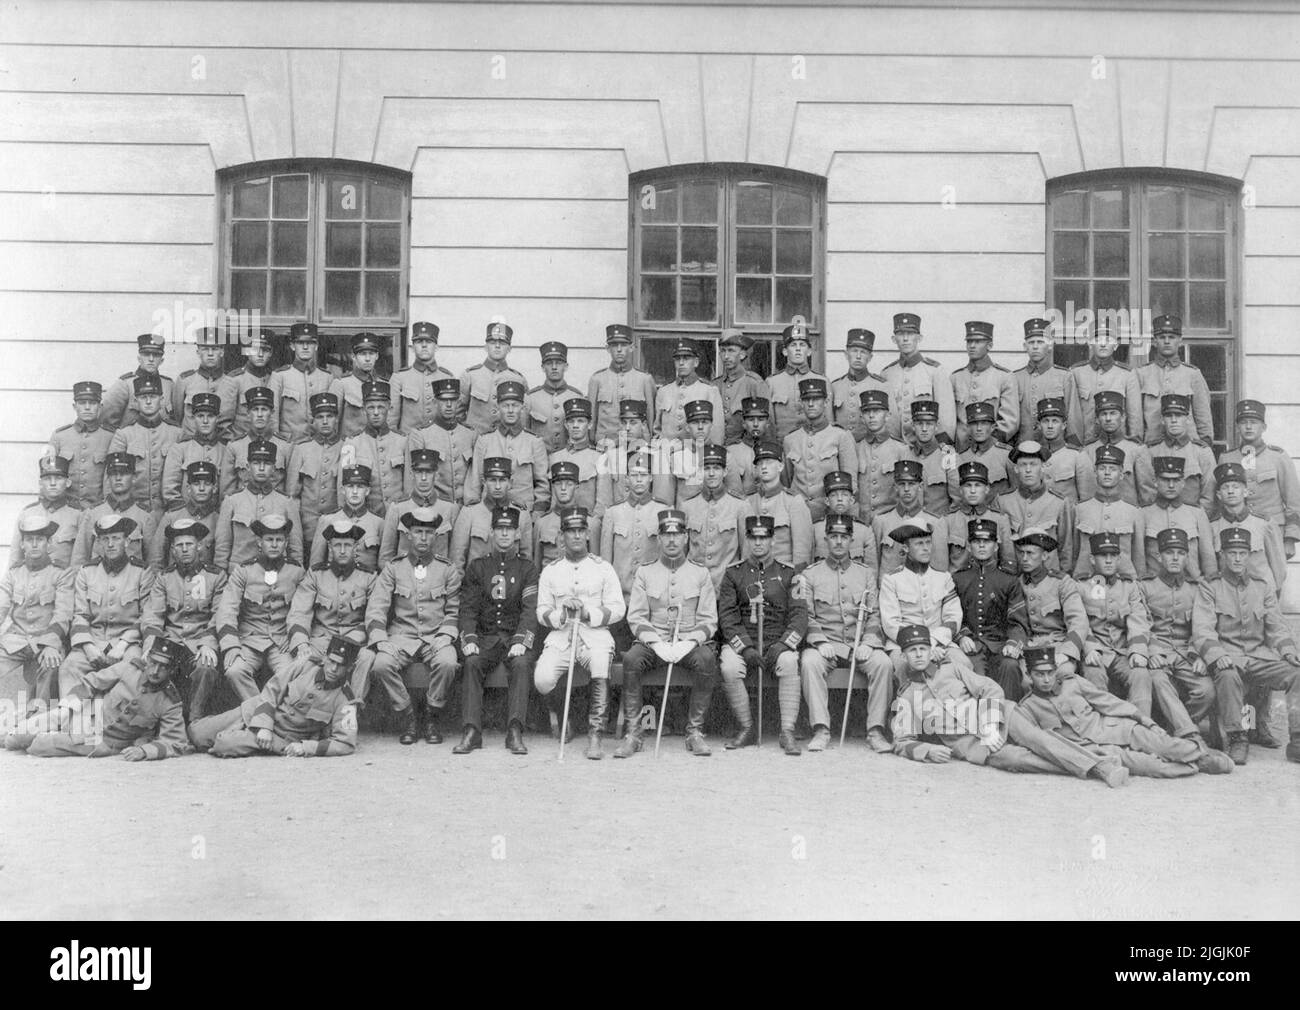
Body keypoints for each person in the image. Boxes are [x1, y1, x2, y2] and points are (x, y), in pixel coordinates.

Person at [888, 627, 1130, 787]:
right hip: (976, 747)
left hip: (1002, 715)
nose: (919, 655)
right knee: (1019, 760)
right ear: (904, 655)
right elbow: (901, 740)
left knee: (1040, 740)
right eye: (912, 650)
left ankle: (1103, 769)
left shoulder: (951, 669)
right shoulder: (908, 695)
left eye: (922, 649)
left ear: (931, 651)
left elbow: (990, 689)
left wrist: (990, 724)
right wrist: (926, 751)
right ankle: (1098, 760)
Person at [1017, 646, 1232, 778]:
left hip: (1117, 728)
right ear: (1029, 674)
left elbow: (1108, 702)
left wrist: (1142, 719)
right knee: (1152, 767)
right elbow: (1043, 743)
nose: (1046, 680)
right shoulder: (1027, 707)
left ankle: (1201, 757)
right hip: (1099, 749)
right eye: (1039, 674)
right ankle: (1195, 766)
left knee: (1163, 744)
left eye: (1050, 673)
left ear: (1056, 671)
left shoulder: (1072, 683)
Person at [1075, 532, 1203, 744]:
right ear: (1092, 560)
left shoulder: (1130, 586)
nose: (1108, 561)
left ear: (1119, 559)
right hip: (1097, 652)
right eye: (1102, 556)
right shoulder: (1080, 586)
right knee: (1094, 675)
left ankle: (1140, 730)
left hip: (1123, 650)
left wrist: (1138, 652)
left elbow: (1138, 620)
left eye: (1113, 556)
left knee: (1141, 674)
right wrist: (1089, 648)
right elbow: (1079, 620)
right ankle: (1103, 734)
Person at [1192, 527, 1300, 765]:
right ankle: (1238, 737)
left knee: (1297, 674)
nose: (1238, 558)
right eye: (1232, 553)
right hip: (1228, 655)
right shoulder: (1210, 586)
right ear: (1223, 555)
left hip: (1258, 656)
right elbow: (1202, 628)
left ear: (1250, 556)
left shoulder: (1262, 587)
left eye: (1242, 553)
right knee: (1228, 675)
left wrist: (1289, 650)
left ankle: (1297, 740)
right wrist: (1216, 653)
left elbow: (1275, 626)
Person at [616, 509, 719, 758]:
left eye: (677, 534)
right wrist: (656, 643)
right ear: (659, 538)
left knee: (706, 659)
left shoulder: (700, 573)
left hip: (688, 643)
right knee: (631, 659)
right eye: (666, 534)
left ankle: (694, 732)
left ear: (686, 538)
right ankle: (634, 734)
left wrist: (688, 643)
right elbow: (637, 617)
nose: (672, 540)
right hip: (655, 643)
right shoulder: (645, 572)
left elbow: (708, 620)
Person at [533, 506, 625, 759]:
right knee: (542, 679)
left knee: (599, 662)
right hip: (562, 637)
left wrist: (588, 614)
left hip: (594, 635)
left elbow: (618, 608)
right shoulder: (551, 570)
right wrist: (561, 615)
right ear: (561, 536)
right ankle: (563, 719)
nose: (575, 536)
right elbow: (541, 611)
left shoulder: (602, 568)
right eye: (569, 531)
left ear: (587, 534)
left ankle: (596, 734)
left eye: (580, 530)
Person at [798, 513, 894, 752]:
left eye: (844, 536)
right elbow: (805, 615)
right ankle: (821, 729)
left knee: (883, 663)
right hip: (826, 644)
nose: (839, 542)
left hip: (859, 644)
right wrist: (819, 641)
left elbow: (874, 614)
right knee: (809, 662)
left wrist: (869, 643)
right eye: (833, 537)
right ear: (826, 539)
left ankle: (875, 731)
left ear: (852, 540)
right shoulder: (811, 575)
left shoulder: (866, 574)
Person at [7, 637, 190, 761]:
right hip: (81, 713)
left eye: (163, 667)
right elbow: (91, 682)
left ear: (172, 670)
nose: (155, 671)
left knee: (40, 745)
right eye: (153, 663)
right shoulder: (129, 668)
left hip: (101, 741)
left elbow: (175, 742)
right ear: (147, 659)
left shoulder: (170, 702)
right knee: (19, 735)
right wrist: (66, 709)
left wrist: (144, 751)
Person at [365, 507, 459, 745]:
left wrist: (447, 634)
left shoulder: (447, 569)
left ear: (436, 536)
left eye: (429, 532)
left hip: (435, 636)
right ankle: (408, 716)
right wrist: (380, 639)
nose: (423, 538)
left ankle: (431, 715)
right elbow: (377, 606)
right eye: (418, 532)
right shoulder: (393, 568)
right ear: (408, 535)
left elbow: (453, 609)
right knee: (381, 664)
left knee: (448, 662)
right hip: (401, 636)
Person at [716, 515, 808, 754]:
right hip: (743, 641)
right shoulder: (733, 574)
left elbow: (799, 616)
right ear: (747, 540)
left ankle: (787, 731)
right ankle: (747, 728)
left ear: (772, 540)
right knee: (729, 667)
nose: (758, 543)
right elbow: (727, 616)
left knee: (789, 662)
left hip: (777, 641)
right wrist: (745, 648)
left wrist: (783, 645)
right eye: (754, 538)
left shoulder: (790, 574)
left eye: (763, 538)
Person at [189, 634, 361, 758]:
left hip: (281, 738)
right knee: (196, 734)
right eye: (331, 661)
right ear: (324, 658)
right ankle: (233, 732)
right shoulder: (303, 666)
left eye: (341, 665)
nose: (333, 669)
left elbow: (345, 743)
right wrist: (264, 726)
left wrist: (306, 748)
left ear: (350, 668)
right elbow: (272, 689)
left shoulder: (346, 700)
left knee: (223, 745)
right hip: (254, 712)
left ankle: (237, 739)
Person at [455, 505, 538, 755]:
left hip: (514, 638)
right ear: (491, 532)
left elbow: (529, 609)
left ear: (517, 534)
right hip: (487, 639)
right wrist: (469, 639)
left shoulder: (527, 568)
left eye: (509, 529)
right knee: (471, 663)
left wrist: (521, 640)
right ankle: (472, 731)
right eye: (499, 529)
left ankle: (514, 730)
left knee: (522, 664)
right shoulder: (478, 567)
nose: (504, 534)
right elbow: (468, 609)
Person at [287, 519, 377, 712]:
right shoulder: (316, 575)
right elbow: (299, 612)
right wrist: (301, 642)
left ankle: (351, 713)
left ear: (356, 547)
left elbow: (374, 615)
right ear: (329, 547)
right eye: (338, 545)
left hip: (356, 640)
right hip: (322, 639)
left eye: (348, 545)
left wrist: (354, 639)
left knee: (367, 657)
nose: (343, 550)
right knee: (303, 659)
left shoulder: (368, 577)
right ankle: (307, 713)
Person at [140, 518, 225, 720]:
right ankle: (157, 723)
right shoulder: (164, 578)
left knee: (206, 667)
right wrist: (150, 647)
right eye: (179, 545)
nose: (185, 549)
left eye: (189, 544)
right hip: (171, 641)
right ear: (172, 550)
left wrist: (208, 644)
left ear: (199, 546)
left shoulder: (215, 577)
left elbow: (219, 616)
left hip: (200, 641)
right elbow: (153, 616)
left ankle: (195, 719)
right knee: (151, 667)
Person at [59, 514, 152, 699]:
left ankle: (114, 724)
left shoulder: (141, 572)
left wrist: (123, 645)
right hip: (93, 639)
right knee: (68, 668)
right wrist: (87, 646)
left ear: (126, 541)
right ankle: (73, 723)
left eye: (116, 538)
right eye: (105, 539)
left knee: (135, 670)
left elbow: (146, 616)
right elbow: (80, 614)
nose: (110, 544)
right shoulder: (87, 572)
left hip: (127, 642)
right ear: (99, 543)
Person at [1140, 529, 1220, 742]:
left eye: (1180, 553)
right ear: (1159, 556)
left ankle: (1176, 728)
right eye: (1169, 552)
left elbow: (1202, 626)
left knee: (1206, 691)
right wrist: (1151, 652)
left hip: (1186, 654)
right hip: (1158, 652)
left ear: (1187, 557)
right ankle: (1189, 735)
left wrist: (1200, 655)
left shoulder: (1197, 589)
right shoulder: (1145, 587)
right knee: (1157, 680)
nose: (1175, 558)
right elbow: (1141, 625)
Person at [216, 514, 305, 702]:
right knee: (234, 671)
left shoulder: (296, 572)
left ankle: (262, 717)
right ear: (259, 541)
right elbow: (227, 610)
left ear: (286, 542)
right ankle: (260, 714)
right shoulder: (244, 571)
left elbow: (302, 612)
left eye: (279, 540)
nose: (274, 545)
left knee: (294, 676)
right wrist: (231, 646)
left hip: (281, 642)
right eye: (269, 540)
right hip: (250, 640)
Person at [0, 516, 74, 710]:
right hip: (15, 642)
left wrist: (51, 644)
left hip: (44, 642)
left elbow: (63, 614)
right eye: (29, 540)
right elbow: (1, 607)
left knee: (52, 664)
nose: (34, 544)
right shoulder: (13, 574)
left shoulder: (61, 574)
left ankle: (38, 719)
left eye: (39, 539)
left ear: (48, 543)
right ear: (22, 544)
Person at [951, 518, 1029, 699]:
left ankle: (1007, 718)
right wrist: (961, 636)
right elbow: (951, 615)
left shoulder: (1008, 580)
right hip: (971, 646)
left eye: (987, 542)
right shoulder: (958, 579)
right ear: (969, 547)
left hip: (1000, 645)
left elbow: (1018, 622)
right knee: (971, 670)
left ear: (996, 546)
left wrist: (1012, 644)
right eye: (977, 542)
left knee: (1010, 666)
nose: (982, 546)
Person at [879, 522, 969, 676]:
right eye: (919, 544)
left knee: (962, 663)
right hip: (904, 646)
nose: (926, 548)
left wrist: (933, 642)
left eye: (928, 542)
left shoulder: (943, 578)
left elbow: (953, 618)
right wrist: (922, 646)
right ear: (906, 548)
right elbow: (891, 623)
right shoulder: (891, 580)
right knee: (903, 667)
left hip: (940, 642)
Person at [1216, 399, 1300, 559]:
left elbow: (1294, 501)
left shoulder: (1278, 457)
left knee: (1273, 580)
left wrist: (1290, 538)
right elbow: (1219, 501)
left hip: (1273, 531)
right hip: (1236, 531)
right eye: (1243, 422)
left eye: (1253, 422)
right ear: (1237, 427)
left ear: (1264, 427)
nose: (1248, 427)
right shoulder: (1227, 458)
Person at [600, 449, 669, 638]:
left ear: (651, 478)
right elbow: (605, 563)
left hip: (653, 601)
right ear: (627, 479)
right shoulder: (613, 513)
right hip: (621, 601)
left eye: (644, 475)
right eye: (634, 475)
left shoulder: (663, 511)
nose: (639, 480)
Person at [213, 440, 304, 570]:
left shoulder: (286, 502)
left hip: (277, 574)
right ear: (248, 466)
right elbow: (222, 546)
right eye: (256, 463)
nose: (261, 468)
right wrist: (222, 577)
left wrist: (293, 574)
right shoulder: (232, 501)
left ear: (273, 468)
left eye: (267, 464)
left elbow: (295, 548)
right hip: (239, 574)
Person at [1015, 528, 1089, 683]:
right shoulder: (1017, 583)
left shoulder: (1062, 582)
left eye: (1030, 553)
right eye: (1021, 553)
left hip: (1059, 646)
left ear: (1044, 556)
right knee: (1026, 681)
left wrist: (1067, 653)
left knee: (1063, 674)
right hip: (1029, 647)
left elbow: (1078, 621)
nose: (1024, 558)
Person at [466, 380, 549, 516]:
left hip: (524, 513)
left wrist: (537, 512)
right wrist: (476, 511)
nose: (510, 410)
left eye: (515, 405)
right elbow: (476, 481)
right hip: (489, 512)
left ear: (522, 407)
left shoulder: (534, 442)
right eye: (505, 406)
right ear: (498, 407)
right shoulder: (485, 441)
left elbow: (542, 484)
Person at [783, 377, 857, 521]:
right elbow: (786, 482)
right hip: (798, 515)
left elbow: (851, 483)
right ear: (801, 403)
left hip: (830, 515)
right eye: (806, 399)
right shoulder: (790, 440)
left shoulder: (841, 436)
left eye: (816, 399)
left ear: (826, 402)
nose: (811, 404)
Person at [108, 372, 180, 515]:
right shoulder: (124, 435)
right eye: (143, 397)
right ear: (135, 401)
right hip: (133, 511)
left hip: (167, 511)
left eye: (153, 397)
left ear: (162, 399)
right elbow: (110, 476)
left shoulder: (176, 433)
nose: (148, 402)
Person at [1135, 314, 1213, 446]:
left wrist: (1205, 442)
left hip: (1188, 446)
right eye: (1161, 337)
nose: (1166, 341)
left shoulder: (1192, 374)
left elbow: (1203, 415)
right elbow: (1136, 416)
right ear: (1154, 341)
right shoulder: (1142, 374)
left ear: (1180, 340)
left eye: (1171, 337)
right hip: (1152, 446)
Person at [1072, 445, 1146, 580]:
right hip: (1086, 583)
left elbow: (1139, 557)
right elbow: (1073, 552)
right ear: (1094, 472)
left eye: (1112, 469)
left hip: (1123, 586)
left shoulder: (1133, 512)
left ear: (1122, 473)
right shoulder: (1080, 510)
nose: (1107, 473)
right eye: (1102, 468)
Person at [880, 312, 956, 444]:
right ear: (894, 339)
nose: (905, 339)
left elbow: (946, 418)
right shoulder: (887, 374)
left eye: (910, 334)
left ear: (919, 338)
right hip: (896, 447)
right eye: (900, 334)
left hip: (926, 448)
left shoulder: (934, 371)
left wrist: (939, 450)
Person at [998, 441, 1073, 573]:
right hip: (1014, 578)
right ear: (1016, 469)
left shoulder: (1059, 503)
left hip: (1049, 578)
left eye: (1033, 464)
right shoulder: (1003, 501)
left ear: (1043, 467)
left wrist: (1063, 578)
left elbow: (1065, 548)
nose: (1028, 470)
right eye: (1023, 465)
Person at [1208, 461, 1286, 589]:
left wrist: (1272, 595)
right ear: (1219, 495)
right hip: (1227, 595)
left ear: (1245, 492)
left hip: (1261, 594)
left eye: (1236, 487)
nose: (1230, 491)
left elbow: (1279, 567)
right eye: (1225, 487)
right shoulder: (1212, 527)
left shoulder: (1265, 524)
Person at [71, 452, 156, 568]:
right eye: (113, 474)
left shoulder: (144, 516)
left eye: (124, 473)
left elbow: (153, 561)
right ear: (108, 478)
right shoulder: (93, 513)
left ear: (134, 477)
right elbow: (79, 557)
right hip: (97, 582)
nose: (118, 478)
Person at [451, 457, 534, 574]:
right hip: (476, 586)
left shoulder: (522, 515)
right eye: (492, 480)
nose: (498, 486)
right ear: (484, 482)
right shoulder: (469, 513)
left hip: (511, 586)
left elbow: (526, 559)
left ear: (510, 483)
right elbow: (457, 560)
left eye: (502, 480)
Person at [680, 444, 747, 587]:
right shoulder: (687, 507)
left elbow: (746, 555)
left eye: (716, 468)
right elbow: (682, 554)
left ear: (725, 472)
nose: (711, 474)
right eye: (706, 468)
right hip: (693, 586)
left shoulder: (740, 507)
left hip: (727, 589)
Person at [1064, 322, 1142, 446]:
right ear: (1090, 344)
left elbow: (1134, 416)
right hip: (1085, 444)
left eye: (1108, 340)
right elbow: (1072, 415)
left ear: (1115, 345)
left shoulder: (1127, 374)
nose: (1103, 344)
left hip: (1118, 447)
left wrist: (1133, 445)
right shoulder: (1076, 373)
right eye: (1097, 339)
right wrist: (1076, 446)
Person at [1140, 456, 1216, 581]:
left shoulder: (1196, 513)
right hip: (1155, 588)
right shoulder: (1144, 514)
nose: (1171, 485)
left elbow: (1208, 558)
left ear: (1183, 483)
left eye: (1176, 480)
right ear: (1155, 481)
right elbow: (1139, 558)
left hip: (1191, 587)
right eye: (1165, 480)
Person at [286, 391, 344, 552]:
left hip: (337, 530)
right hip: (308, 530)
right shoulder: (301, 450)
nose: (325, 421)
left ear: (337, 419)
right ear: (313, 421)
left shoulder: (346, 448)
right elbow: (292, 496)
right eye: (320, 417)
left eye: (330, 416)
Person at [379, 449, 457, 568]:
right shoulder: (398, 508)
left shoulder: (449, 508)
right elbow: (386, 555)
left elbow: (455, 555)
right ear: (411, 474)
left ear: (436, 475)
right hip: (404, 579)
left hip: (437, 580)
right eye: (419, 472)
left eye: (429, 472)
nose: (424, 478)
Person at [404, 378, 476, 507]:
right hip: (435, 507)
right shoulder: (421, 435)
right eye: (443, 400)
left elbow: (476, 476)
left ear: (459, 402)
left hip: (465, 508)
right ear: (434, 402)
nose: (448, 404)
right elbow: (411, 478)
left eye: (453, 400)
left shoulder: (470, 434)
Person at [872, 459, 949, 576]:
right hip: (889, 591)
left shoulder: (935, 522)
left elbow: (940, 568)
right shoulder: (881, 521)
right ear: (895, 487)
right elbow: (875, 565)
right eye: (902, 484)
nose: (906, 489)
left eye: (911, 484)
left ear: (920, 486)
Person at [1078, 390, 1156, 506]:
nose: (1108, 418)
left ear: (1123, 417)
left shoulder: (1137, 450)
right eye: (1103, 414)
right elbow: (1085, 493)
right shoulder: (1087, 451)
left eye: (1113, 413)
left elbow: (1147, 496)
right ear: (1097, 419)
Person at [745, 442, 814, 570]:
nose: (764, 467)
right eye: (759, 463)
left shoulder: (793, 501)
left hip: (784, 576)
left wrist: (796, 579)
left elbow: (802, 550)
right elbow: (745, 547)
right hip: (753, 575)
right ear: (755, 469)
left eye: (769, 462)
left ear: (781, 467)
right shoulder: (748, 501)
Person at [161, 392, 235, 511]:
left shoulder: (226, 450)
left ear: (217, 418)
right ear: (193, 417)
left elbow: (228, 492)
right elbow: (170, 492)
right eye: (200, 416)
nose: (205, 421)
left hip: (216, 518)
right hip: (184, 518)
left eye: (210, 416)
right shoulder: (179, 449)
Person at [951, 320, 1018, 450]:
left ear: (990, 345)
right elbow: (949, 419)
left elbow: (1010, 421)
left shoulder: (1004, 377)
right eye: (969, 341)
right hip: (961, 449)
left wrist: (990, 446)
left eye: (978, 342)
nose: (972, 346)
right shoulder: (956, 377)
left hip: (991, 449)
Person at [587, 324, 656, 449]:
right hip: (605, 446)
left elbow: (650, 416)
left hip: (636, 446)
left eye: (624, 345)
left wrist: (648, 440)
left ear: (631, 348)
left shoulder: (644, 379)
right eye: (614, 345)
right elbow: (592, 416)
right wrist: (593, 442)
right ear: (608, 348)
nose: (619, 349)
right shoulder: (597, 379)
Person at [343, 379, 407, 514]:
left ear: (389, 407)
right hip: (367, 519)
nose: (376, 412)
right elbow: (343, 488)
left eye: (381, 407)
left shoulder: (402, 442)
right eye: (371, 407)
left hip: (398, 516)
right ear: (364, 408)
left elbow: (409, 484)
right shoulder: (352, 444)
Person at [11, 454, 83, 570]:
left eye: (58, 478)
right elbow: (15, 556)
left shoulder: (78, 515)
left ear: (68, 482)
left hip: (65, 583)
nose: (53, 483)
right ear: (40, 483)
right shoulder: (27, 513)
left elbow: (79, 559)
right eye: (47, 479)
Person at [49, 380, 114, 508]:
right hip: (66, 509)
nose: (87, 407)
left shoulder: (110, 437)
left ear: (100, 407)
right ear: (74, 406)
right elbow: (49, 475)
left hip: (97, 509)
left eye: (93, 403)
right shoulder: (59, 436)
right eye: (82, 403)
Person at [1146, 394, 1215, 511]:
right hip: (1158, 521)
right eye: (1168, 416)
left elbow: (1209, 496)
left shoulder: (1202, 452)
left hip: (1192, 524)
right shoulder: (1151, 451)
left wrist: (1196, 520)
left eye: (1178, 415)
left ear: (1187, 419)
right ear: (1162, 420)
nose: (1173, 420)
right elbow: (1147, 492)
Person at [459, 317, 527, 436]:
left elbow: (523, 414)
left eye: (502, 343)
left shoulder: (518, 379)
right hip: (476, 441)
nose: (497, 346)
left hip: (506, 442)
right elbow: (458, 412)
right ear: (486, 347)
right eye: (492, 342)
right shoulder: (470, 375)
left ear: (509, 349)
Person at [310, 464, 384, 571]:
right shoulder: (327, 520)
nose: (354, 491)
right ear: (343, 490)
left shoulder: (378, 523)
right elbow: (316, 564)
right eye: (350, 486)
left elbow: (382, 563)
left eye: (360, 487)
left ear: (367, 491)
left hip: (367, 584)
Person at [945, 461, 1014, 571]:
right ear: (960, 490)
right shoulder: (948, 520)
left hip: (992, 584)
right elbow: (942, 566)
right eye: (968, 486)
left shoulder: (1000, 519)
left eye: (977, 485)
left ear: (986, 489)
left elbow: (1008, 562)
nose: (973, 491)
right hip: (957, 584)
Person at [272, 321, 333, 445]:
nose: (305, 347)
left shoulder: (327, 377)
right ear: (292, 346)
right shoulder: (280, 376)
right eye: (300, 343)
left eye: (310, 343)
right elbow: (272, 418)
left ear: (316, 346)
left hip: (318, 446)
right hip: (290, 445)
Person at [389, 321, 455, 435]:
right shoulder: (400, 378)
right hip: (409, 444)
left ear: (436, 347)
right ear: (413, 347)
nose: (424, 345)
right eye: (419, 342)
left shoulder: (447, 377)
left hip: (439, 443)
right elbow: (391, 421)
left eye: (429, 341)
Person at [654, 339, 723, 446]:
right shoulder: (664, 391)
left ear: (696, 362)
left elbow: (716, 433)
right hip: (667, 454)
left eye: (686, 358)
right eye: (677, 359)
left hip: (696, 454)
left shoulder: (709, 391)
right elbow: (657, 430)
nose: (681, 363)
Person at [1011, 317, 1069, 445]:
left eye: (1040, 342)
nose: (1035, 347)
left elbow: (1073, 416)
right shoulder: (1015, 378)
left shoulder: (1064, 376)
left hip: (1054, 449)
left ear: (1049, 346)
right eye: (1031, 343)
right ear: (1024, 346)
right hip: (1023, 447)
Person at [767, 316, 826, 441]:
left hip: (814, 447)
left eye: (802, 345)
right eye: (793, 345)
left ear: (809, 351)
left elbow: (828, 420)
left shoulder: (822, 381)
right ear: (785, 351)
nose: (798, 349)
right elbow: (769, 423)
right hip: (783, 446)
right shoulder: (772, 382)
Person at [173, 326, 237, 441]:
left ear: (222, 352)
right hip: (191, 447)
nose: (210, 353)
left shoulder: (233, 383)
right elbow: (178, 416)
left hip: (222, 448)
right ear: (198, 351)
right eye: (205, 349)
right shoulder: (185, 381)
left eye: (215, 349)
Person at [101, 332, 176, 429]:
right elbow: (107, 422)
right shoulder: (125, 384)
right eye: (146, 354)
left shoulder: (168, 385)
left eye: (156, 355)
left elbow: (175, 420)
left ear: (162, 360)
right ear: (139, 358)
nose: (151, 359)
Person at [534, 461, 601, 568]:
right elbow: (536, 566)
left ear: (577, 486)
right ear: (552, 486)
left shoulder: (591, 523)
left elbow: (596, 566)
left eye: (569, 484)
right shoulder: (542, 523)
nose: (563, 488)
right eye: (558, 483)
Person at [855, 389, 909, 517]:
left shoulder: (901, 449)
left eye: (877, 411)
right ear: (862, 417)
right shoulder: (855, 448)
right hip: (862, 520)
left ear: (888, 415)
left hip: (890, 521)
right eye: (867, 411)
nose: (872, 416)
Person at [829, 327, 887, 444]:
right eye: (854, 351)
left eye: (863, 352)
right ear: (846, 354)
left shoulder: (880, 385)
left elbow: (891, 425)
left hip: (870, 449)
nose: (858, 356)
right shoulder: (835, 386)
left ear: (870, 357)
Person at [228, 386, 291, 492]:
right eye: (255, 410)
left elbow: (291, 491)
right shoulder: (234, 446)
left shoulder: (286, 446)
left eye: (264, 410)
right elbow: (227, 491)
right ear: (248, 413)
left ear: (272, 413)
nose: (260, 414)